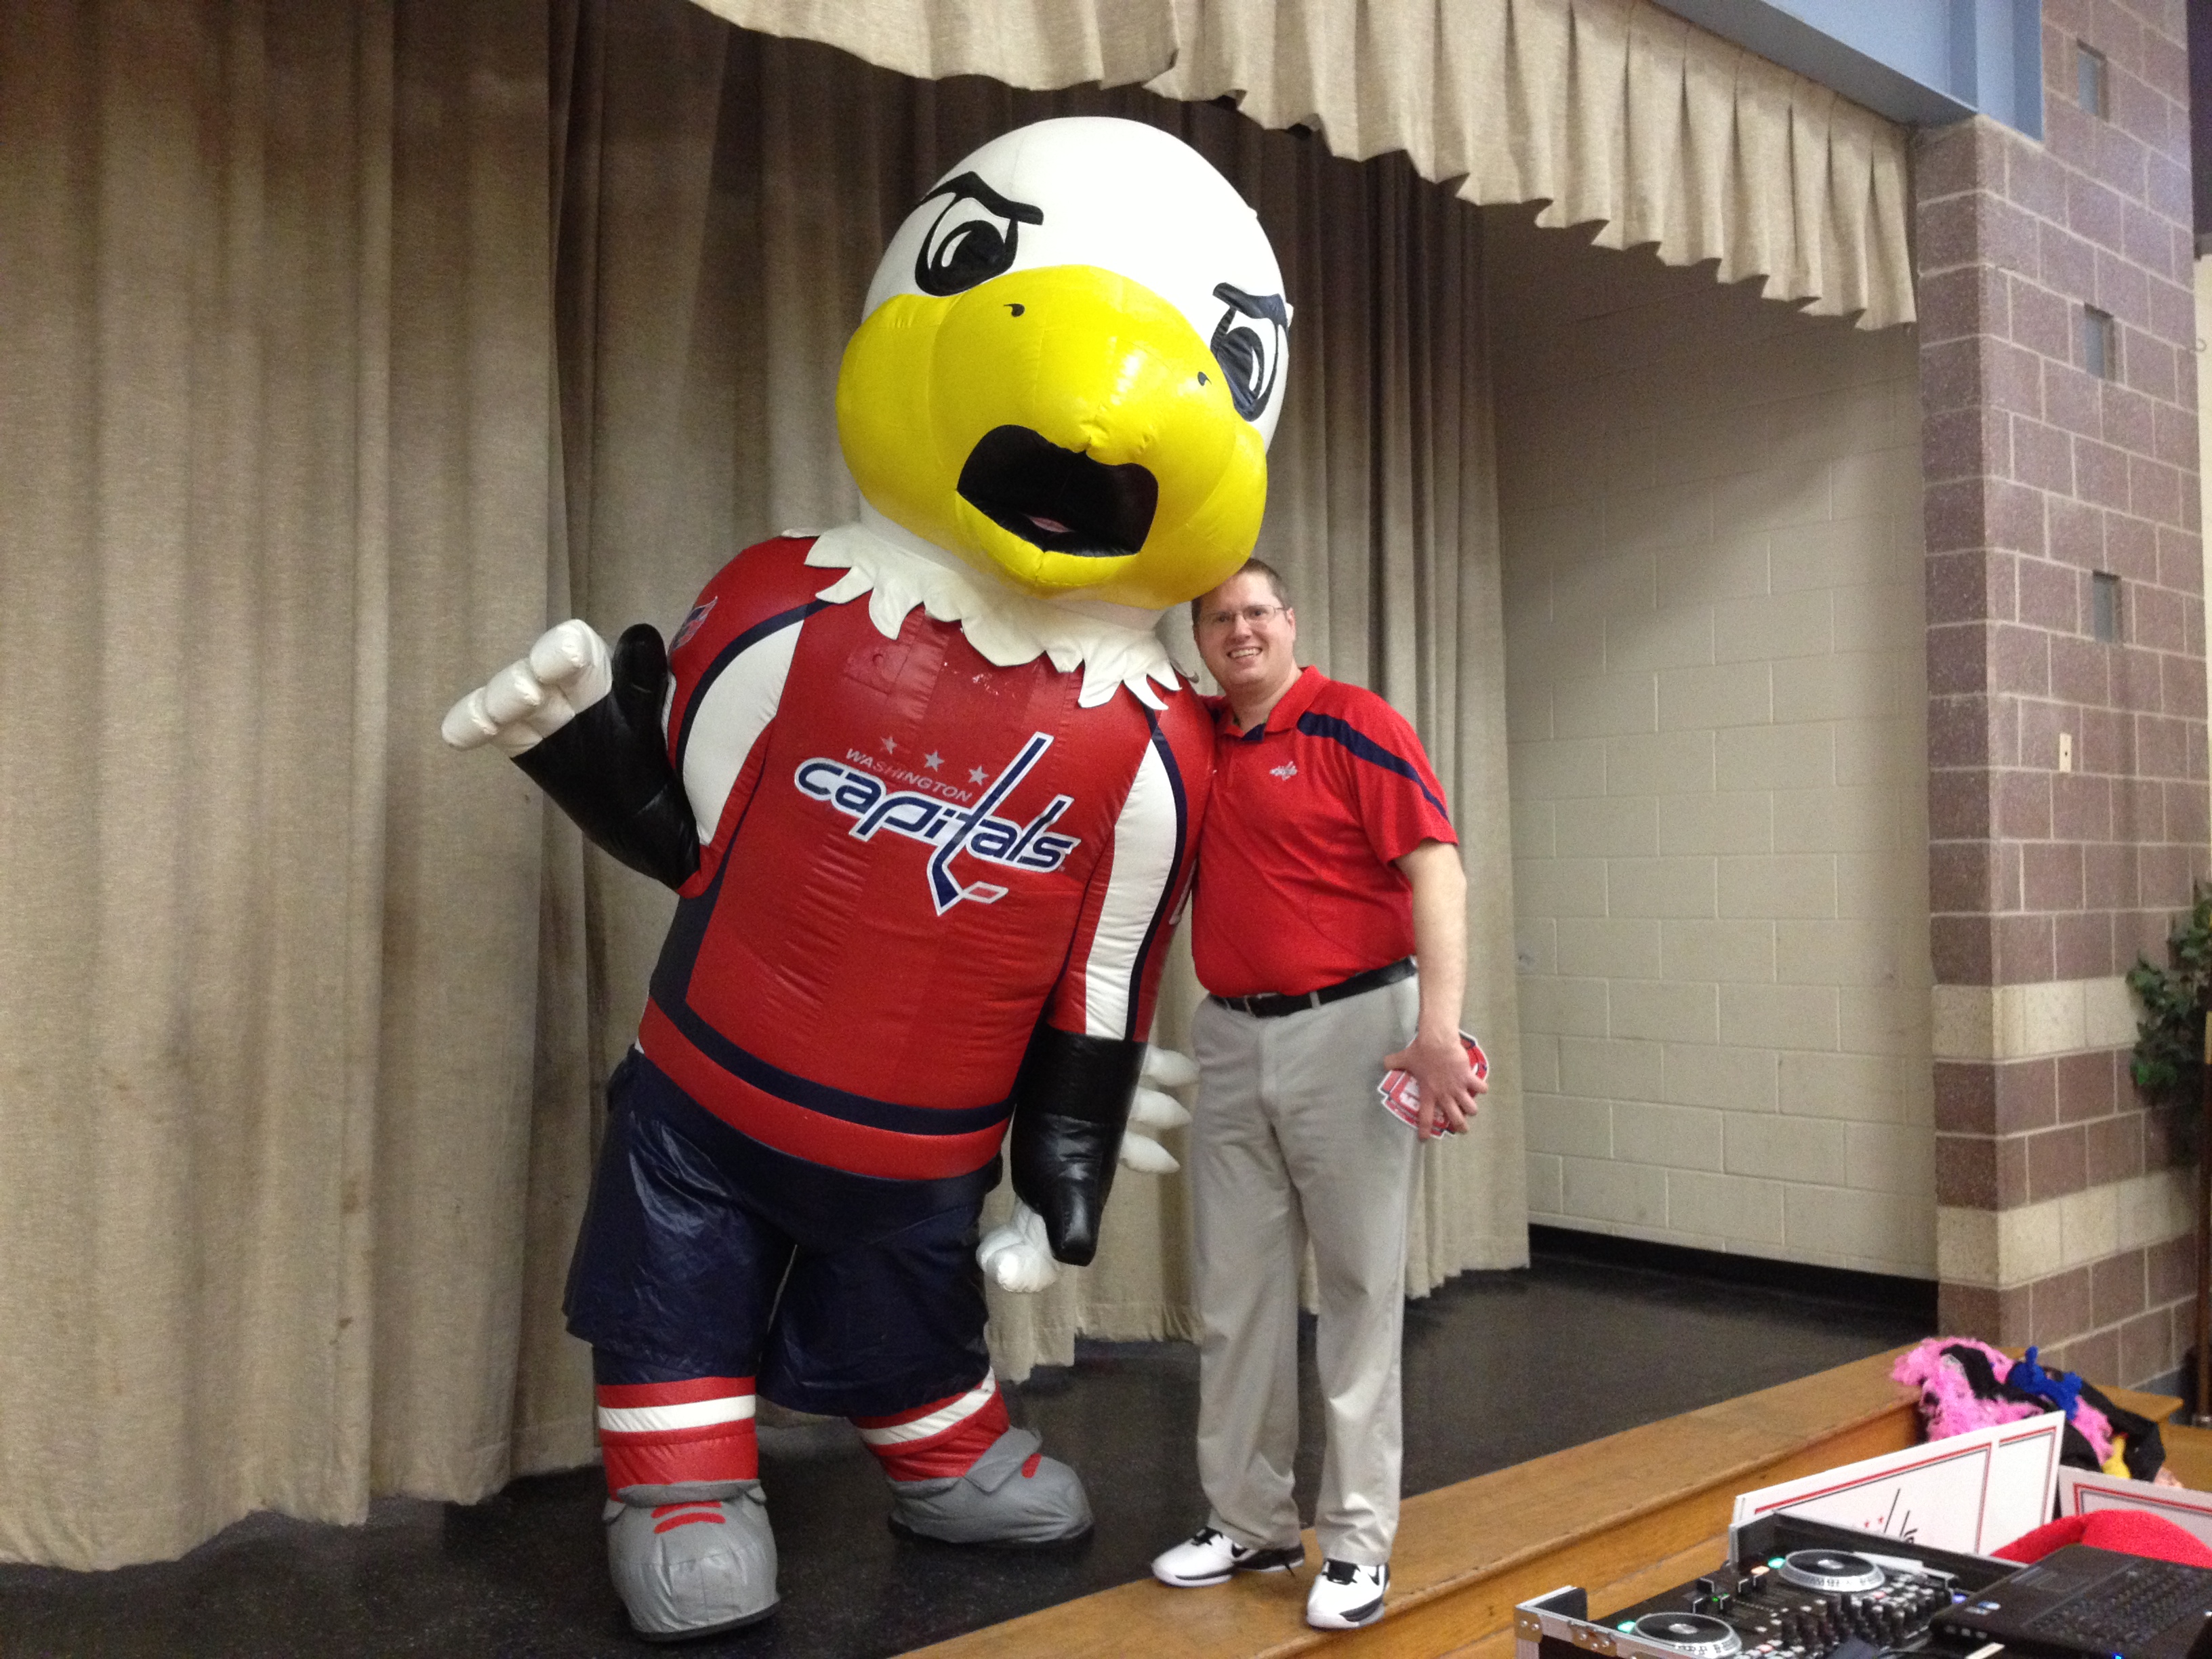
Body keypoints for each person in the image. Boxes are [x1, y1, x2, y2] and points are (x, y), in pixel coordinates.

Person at [1149, 558, 1486, 1631]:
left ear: (1290, 621)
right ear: (1199, 639)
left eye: (1257, 612)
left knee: (1356, 1292)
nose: (1240, 631)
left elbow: (1438, 871)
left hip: (1356, 1032)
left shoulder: (1355, 724)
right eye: (1219, 619)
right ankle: (1248, 1521)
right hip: (1231, 1035)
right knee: (1235, 1296)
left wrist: (1437, 1034)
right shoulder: (1196, 739)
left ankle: (1355, 1543)